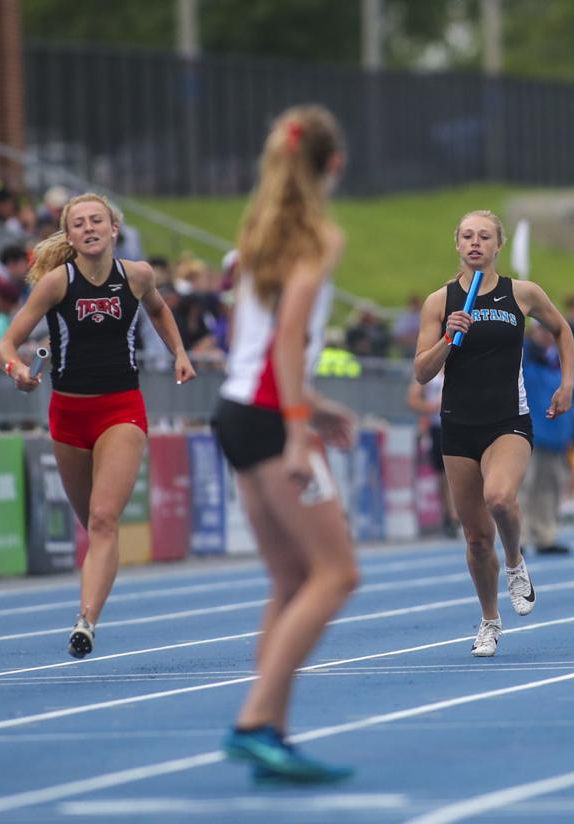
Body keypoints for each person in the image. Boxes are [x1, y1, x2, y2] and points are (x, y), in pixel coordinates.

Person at [212, 105, 360, 783]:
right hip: (272, 420)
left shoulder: (258, 235)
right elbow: (291, 334)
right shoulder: (318, 239)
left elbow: (255, 340)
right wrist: (301, 430)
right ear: (334, 164)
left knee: (290, 579)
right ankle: (252, 721)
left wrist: (316, 405)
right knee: (337, 574)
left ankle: (272, 729)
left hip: (239, 409)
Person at [0, 192, 196, 658]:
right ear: (69, 235)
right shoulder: (55, 284)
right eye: (79, 223)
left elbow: (160, 309)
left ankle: (85, 621)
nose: (89, 229)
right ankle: (91, 602)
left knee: (105, 519)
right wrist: (18, 371)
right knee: (92, 523)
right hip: (67, 414)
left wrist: (179, 352)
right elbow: (6, 344)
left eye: (97, 221)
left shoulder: (138, 276)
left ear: (113, 229)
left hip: (121, 409)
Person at [414, 209, 574, 658]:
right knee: (475, 538)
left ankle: (516, 563)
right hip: (458, 425)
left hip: (508, 420)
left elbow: (562, 331)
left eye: (484, 236)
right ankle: (489, 620)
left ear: (497, 245)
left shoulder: (521, 294)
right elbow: (421, 373)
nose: (475, 243)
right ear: (457, 243)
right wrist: (447, 339)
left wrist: (568, 382)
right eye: (467, 236)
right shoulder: (438, 301)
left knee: (500, 497)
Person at [520, 320, 574, 555]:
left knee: (550, 487)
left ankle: (545, 535)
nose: (546, 335)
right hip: (530, 430)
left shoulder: (560, 359)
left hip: (556, 432)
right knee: (524, 487)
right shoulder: (525, 354)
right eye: (541, 330)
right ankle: (519, 537)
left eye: (549, 330)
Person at [406, 368, 458, 536]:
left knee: (460, 473)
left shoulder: (462, 362)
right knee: (443, 475)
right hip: (438, 428)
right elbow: (412, 399)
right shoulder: (431, 370)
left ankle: (456, 513)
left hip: (460, 425)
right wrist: (432, 407)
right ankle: (450, 515)